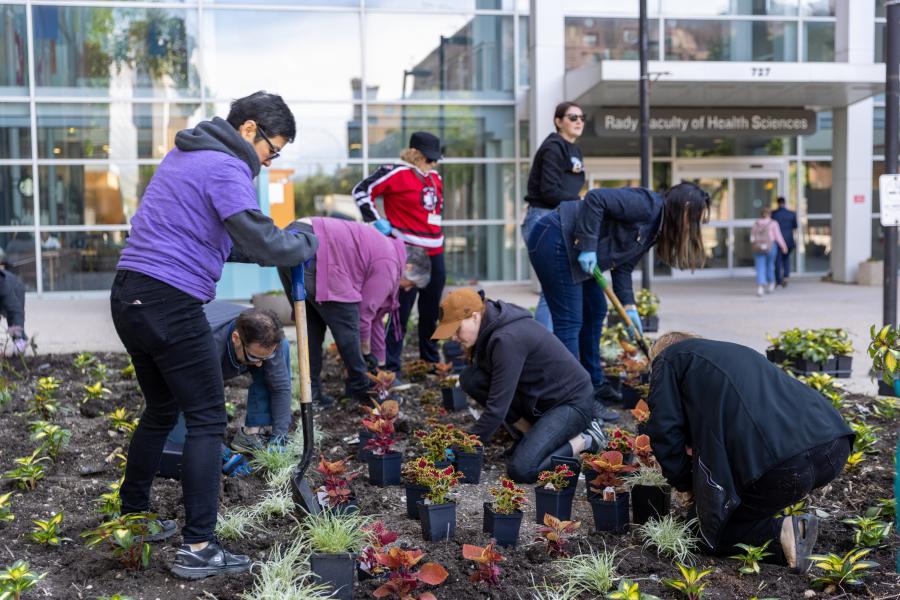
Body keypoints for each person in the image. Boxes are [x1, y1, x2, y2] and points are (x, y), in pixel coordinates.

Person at [110, 91, 318, 580]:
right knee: (206, 420)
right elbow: (259, 237)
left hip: (130, 297)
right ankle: (199, 546)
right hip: (168, 300)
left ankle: (134, 517)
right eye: (273, 149)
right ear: (249, 130)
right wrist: (302, 239)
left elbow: (223, 243)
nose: (269, 161)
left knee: (162, 410)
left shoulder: (186, 156)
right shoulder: (226, 166)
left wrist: (276, 246)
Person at [645, 332, 854, 573]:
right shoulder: (730, 352)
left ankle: (783, 532)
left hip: (784, 464)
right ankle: (778, 521)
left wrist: (684, 483)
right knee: (748, 500)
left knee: (701, 531)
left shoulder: (668, 358)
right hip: (833, 446)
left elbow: (665, 432)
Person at [526, 183, 709, 418]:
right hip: (555, 237)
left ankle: (593, 384)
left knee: (596, 311)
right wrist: (589, 246)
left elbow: (623, 267)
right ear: (684, 208)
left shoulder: (655, 228)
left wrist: (630, 308)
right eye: (695, 218)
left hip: (574, 245)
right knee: (570, 320)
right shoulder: (647, 205)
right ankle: (575, 398)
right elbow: (596, 199)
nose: (694, 227)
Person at [431, 289, 606, 483]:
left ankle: (588, 438)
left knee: (522, 470)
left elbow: (496, 411)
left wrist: (458, 447)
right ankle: (528, 434)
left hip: (571, 403)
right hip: (541, 400)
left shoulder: (507, 339)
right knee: (472, 378)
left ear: (474, 317)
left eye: (456, 330)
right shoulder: (491, 326)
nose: (454, 338)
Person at [276, 217, 432, 406]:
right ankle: (362, 389)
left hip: (292, 239)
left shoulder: (386, 249)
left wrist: (379, 364)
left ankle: (313, 393)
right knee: (347, 318)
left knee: (312, 326)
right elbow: (363, 315)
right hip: (315, 249)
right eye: (411, 284)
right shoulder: (390, 263)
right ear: (408, 267)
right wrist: (366, 354)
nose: (408, 289)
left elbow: (374, 321)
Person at [352, 131, 446, 375]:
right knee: (399, 312)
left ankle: (430, 358)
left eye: (436, 159)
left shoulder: (434, 176)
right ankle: (390, 366)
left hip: (436, 250)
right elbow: (361, 192)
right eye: (429, 158)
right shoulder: (395, 171)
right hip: (408, 252)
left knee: (431, 311)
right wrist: (379, 224)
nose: (433, 163)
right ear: (415, 154)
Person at [165, 304, 293, 458]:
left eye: (265, 357)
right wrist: (219, 452)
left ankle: (252, 433)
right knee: (180, 441)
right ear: (235, 338)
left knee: (279, 350)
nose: (260, 364)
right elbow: (194, 405)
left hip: (224, 350)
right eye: (254, 357)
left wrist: (280, 437)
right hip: (174, 367)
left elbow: (280, 388)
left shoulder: (269, 337)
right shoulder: (206, 347)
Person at [523, 101, 586, 331]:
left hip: (562, 218)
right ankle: (543, 350)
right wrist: (580, 202)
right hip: (543, 218)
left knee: (560, 291)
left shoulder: (574, 150)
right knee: (551, 290)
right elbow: (549, 191)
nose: (579, 121)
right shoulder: (553, 147)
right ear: (559, 122)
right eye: (572, 117)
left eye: (581, 117)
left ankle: (556, 347)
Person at [750, 207, 789, 297]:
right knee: (770, 265)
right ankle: (771, 283)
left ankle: (760, 287)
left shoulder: (756, 223)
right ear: (770, 214)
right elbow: (778, 236)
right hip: (770, 247)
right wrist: (784, 246)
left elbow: (752, 237)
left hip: (758, 247)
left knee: (760, 267)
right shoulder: (773, 223)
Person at [0, 249, 27, 354]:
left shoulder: (3, 284)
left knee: (13, 322)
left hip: (15, 289)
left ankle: (20, 342)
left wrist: (18, 338)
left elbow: (15, 310)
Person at [771, 197, 798, 287]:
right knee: (786, 259)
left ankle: (778, 280)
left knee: (778, 260)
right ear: (784, 203)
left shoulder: (774, 214)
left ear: (778, 203)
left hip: (778, 241)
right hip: (789, 240)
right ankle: (786, 276)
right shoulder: (791, 214)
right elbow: (795, 227)